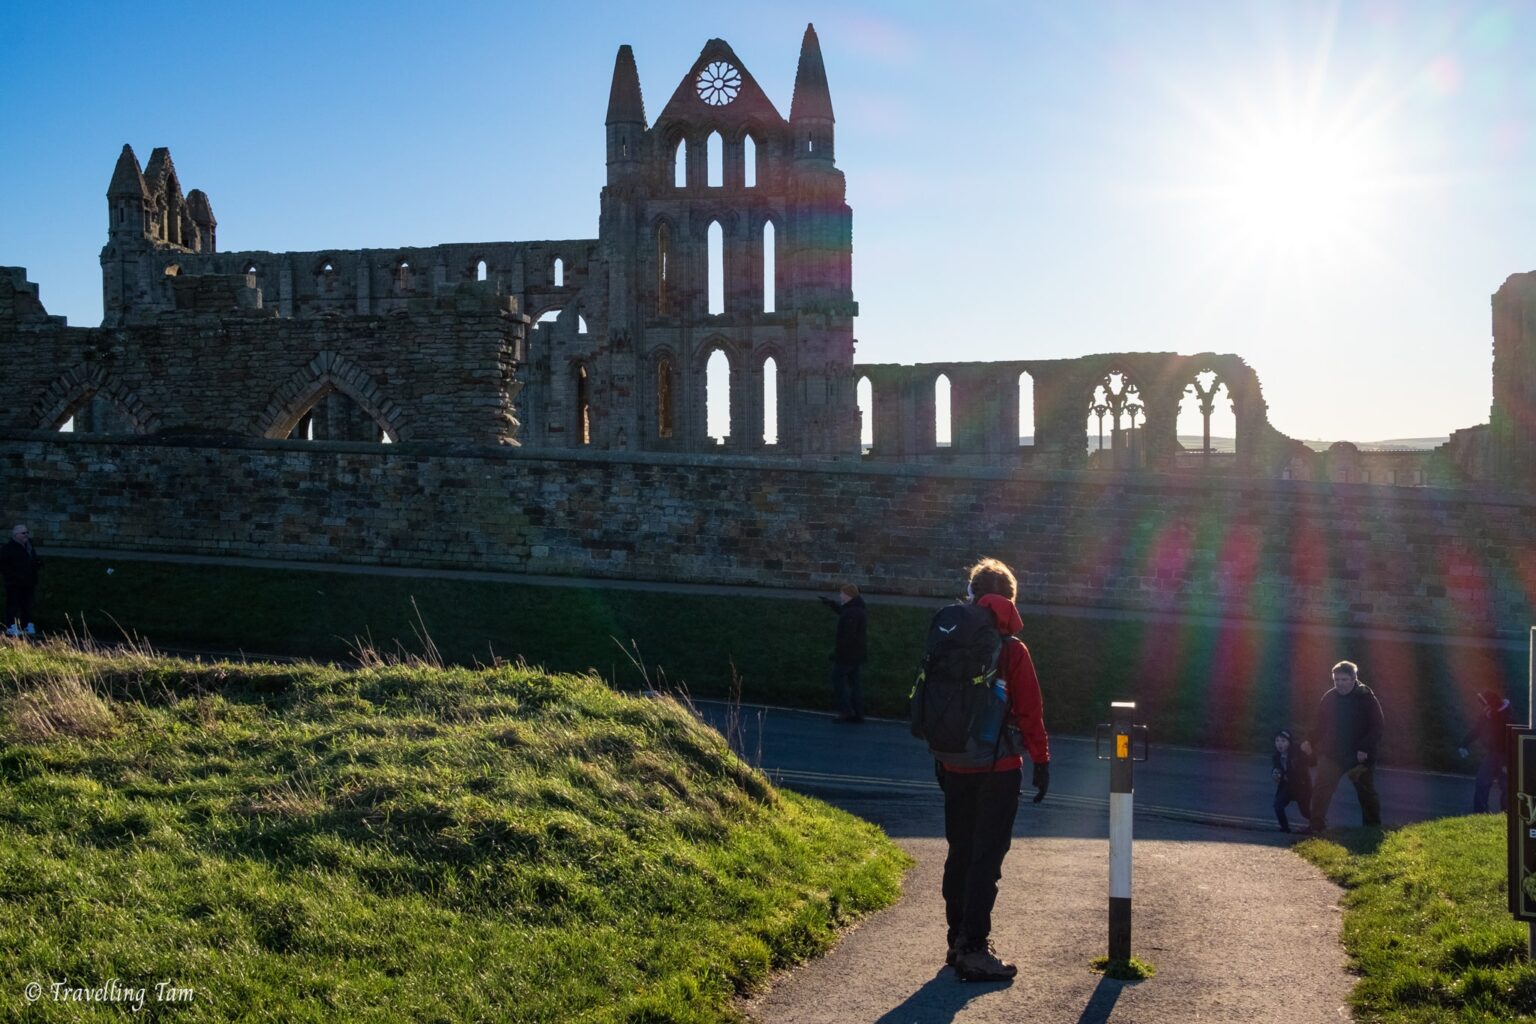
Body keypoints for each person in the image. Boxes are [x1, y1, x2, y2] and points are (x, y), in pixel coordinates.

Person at [936, 558, 1049, 983]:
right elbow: (1030, 711)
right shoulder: (1013, 651)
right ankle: (975, 949)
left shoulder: (949, 638)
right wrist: (1042, 761)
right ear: (1010, 599)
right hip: (998, 768)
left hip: (953, 762)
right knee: (987, 858)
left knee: (959, 852)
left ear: (972, 595)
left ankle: (955, 940)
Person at [1300, 661, 1384, 832]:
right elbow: (1320, 724)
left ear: (1354, 679)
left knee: (1366, 792)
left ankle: (1372, 828)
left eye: (1344, 679)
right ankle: (1316, 826)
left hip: (1359, 756)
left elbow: (1377, 726)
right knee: (1321, 790)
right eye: (1336, 679)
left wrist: (1365, 749)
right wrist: (1310, 740)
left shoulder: (1366, 697)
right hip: (1333, 754)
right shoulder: (1329, 697)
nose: (1340, 683)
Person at [819, 583, 867, 723]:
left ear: (848, 595)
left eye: (842, 593)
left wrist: (837, 654)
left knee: (838, 681)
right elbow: (844, 612)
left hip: (847, 655)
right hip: (856, 655)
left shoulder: (852, 612)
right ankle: (858, 712)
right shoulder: (856, 609)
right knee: (855, 684)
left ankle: (845, 711)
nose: (840, 596)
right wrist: (832, 604)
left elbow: (848, 636)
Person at [1458, 689, 1512, 813]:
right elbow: (1477, 730)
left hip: (1506, 756)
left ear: (1492, 703)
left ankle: (1506, 812)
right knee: (1482, 781)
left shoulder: (1507, 716)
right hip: (1492, 754)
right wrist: (1464, 744)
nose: (1484, 707)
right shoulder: (1486, 715)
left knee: (1506, 785)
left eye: (1485, 703)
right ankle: (1480, 811)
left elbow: (1513, 735)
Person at [1, 524, 42, 638]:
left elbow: (33, 560)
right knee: (13, 605)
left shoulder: (29, 547)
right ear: (16, 535)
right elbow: (4, 566)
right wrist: (12, 576)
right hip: (14, 583)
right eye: (23, 533)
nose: (26, 535)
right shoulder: (8, 548)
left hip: (29, 582)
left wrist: (38, 563)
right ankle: (11, 626)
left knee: (27, 605)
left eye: (27, 532)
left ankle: (27, 625)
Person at [1271, 729, 1313, 833]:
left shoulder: (1298, 751)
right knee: (1278, 805)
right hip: (1286, 785)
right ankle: (1284, 828)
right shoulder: (1276, 755)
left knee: (1305, 811)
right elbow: (1276, 768)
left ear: (1289, 742)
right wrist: (1275, 773)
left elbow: (1313, 762)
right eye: (1277, 741)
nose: (1279, 744)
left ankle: (1318, 825)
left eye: (1283, 741)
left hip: (1301, 785)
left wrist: (1310, 753)